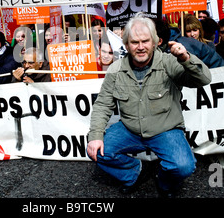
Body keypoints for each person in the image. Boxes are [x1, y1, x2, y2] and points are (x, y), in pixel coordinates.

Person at [86, 15, 212, 198]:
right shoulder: (115, 70)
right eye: (134, 42)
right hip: (130, 129)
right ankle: (135, 173)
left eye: (145, 41)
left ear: (154, 42)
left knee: (183, 166)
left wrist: (185, 57)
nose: (140, 46)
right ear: (126, 44)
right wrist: (95, 136)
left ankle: (165, 182)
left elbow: (204, 79)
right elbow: (103, 104)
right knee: (97, 151)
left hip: (166, 129)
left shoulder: (170, 62)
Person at [155, 18, 224, 68]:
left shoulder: (194, 45)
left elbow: (217, 64)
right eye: (188, 31)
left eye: (195, 30)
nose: (192, 34)